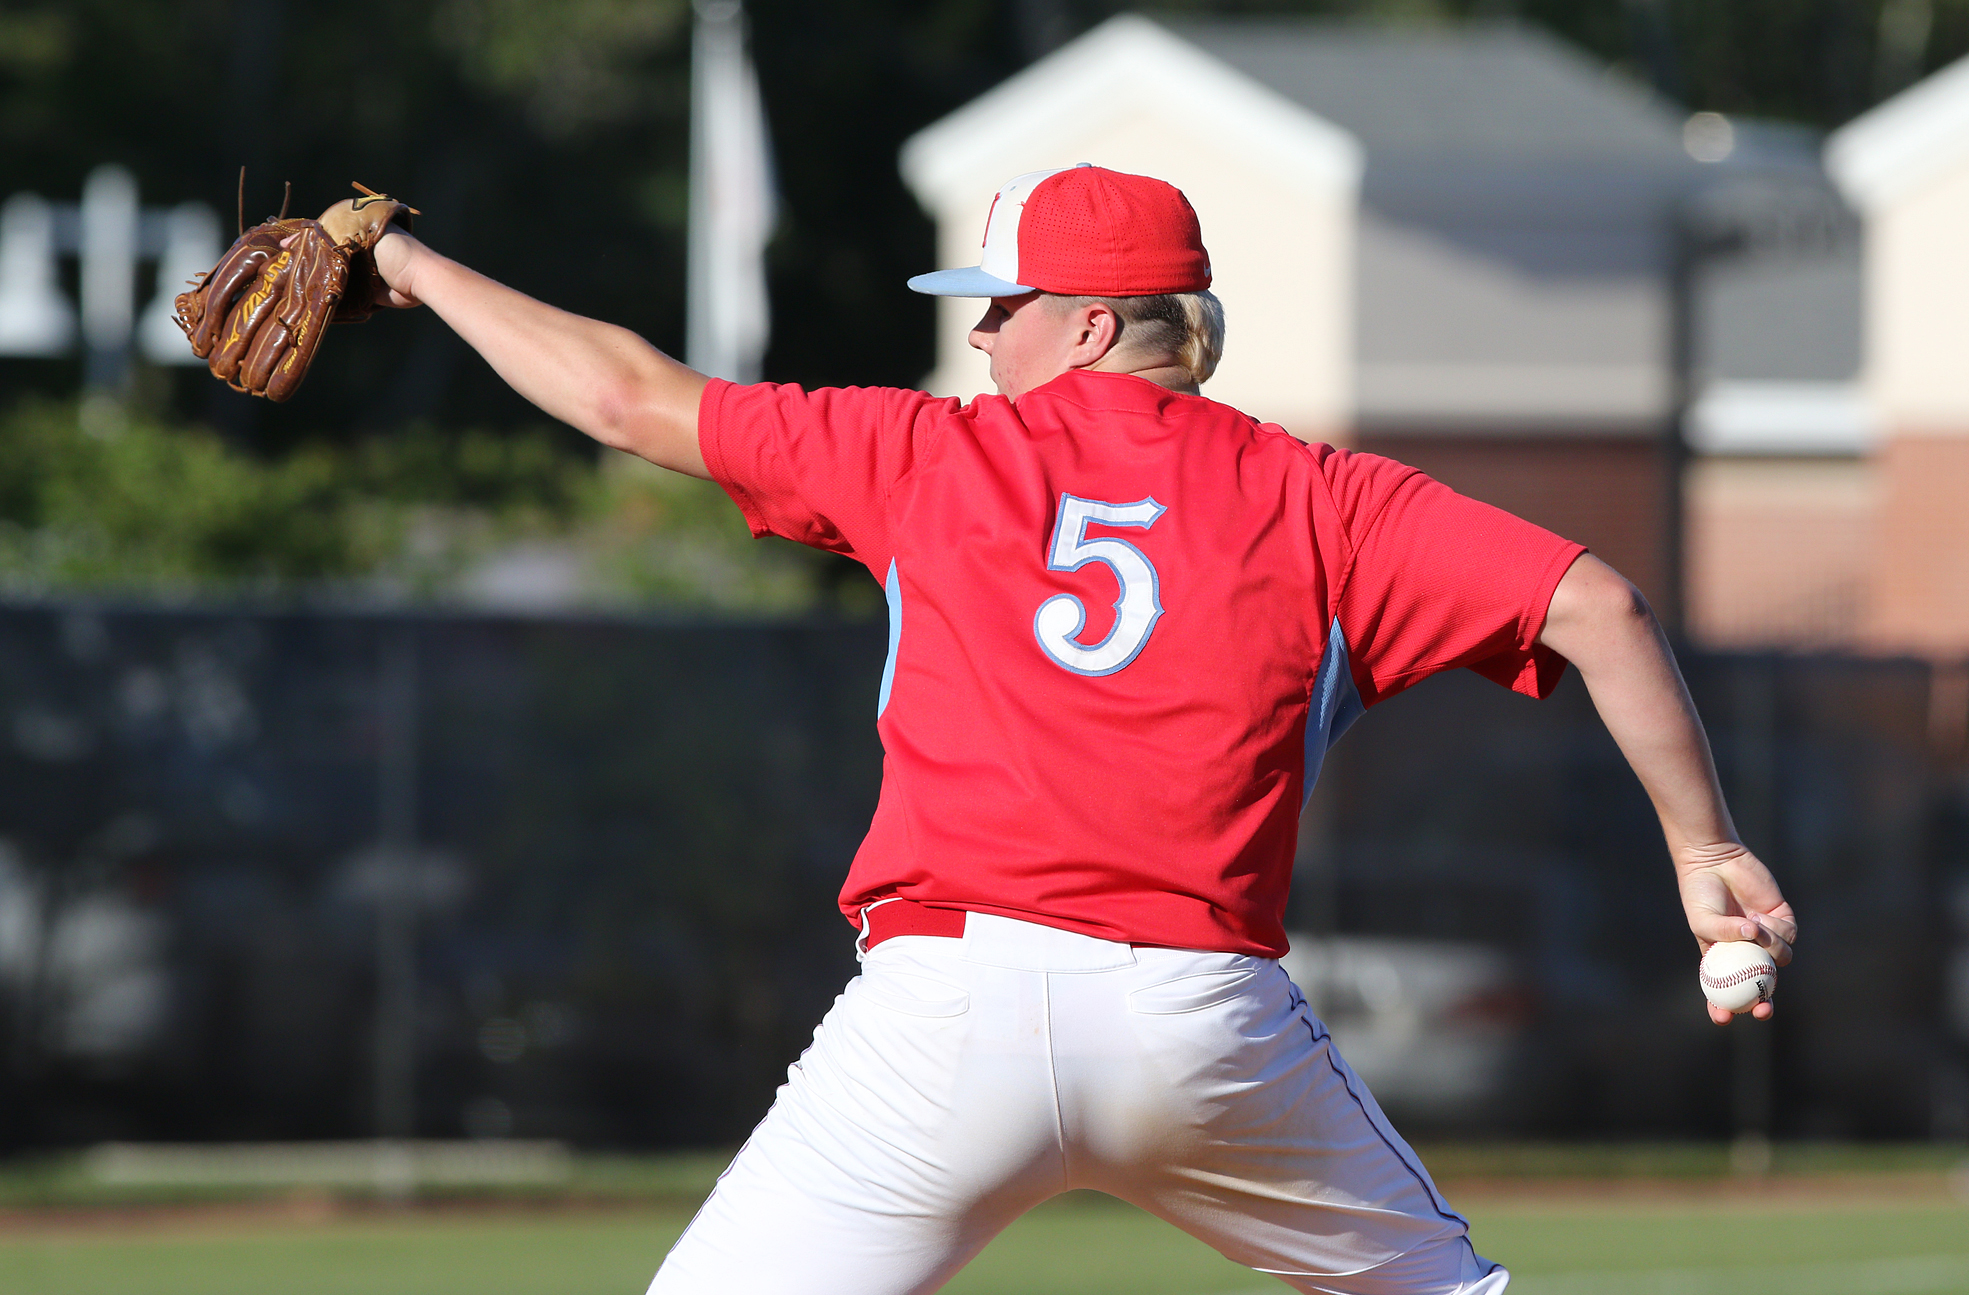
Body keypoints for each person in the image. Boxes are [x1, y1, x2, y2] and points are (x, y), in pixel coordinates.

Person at [367, 163, 1796, 1294]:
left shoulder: (928, 454)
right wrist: (1702, 846)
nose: (979, 331)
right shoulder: (1328, 499)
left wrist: (415, 270)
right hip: (1200, 1022)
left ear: (1093, 326)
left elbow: (624, 396)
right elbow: (1599, 606)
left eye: (1002, 305)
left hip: (944, 1018)